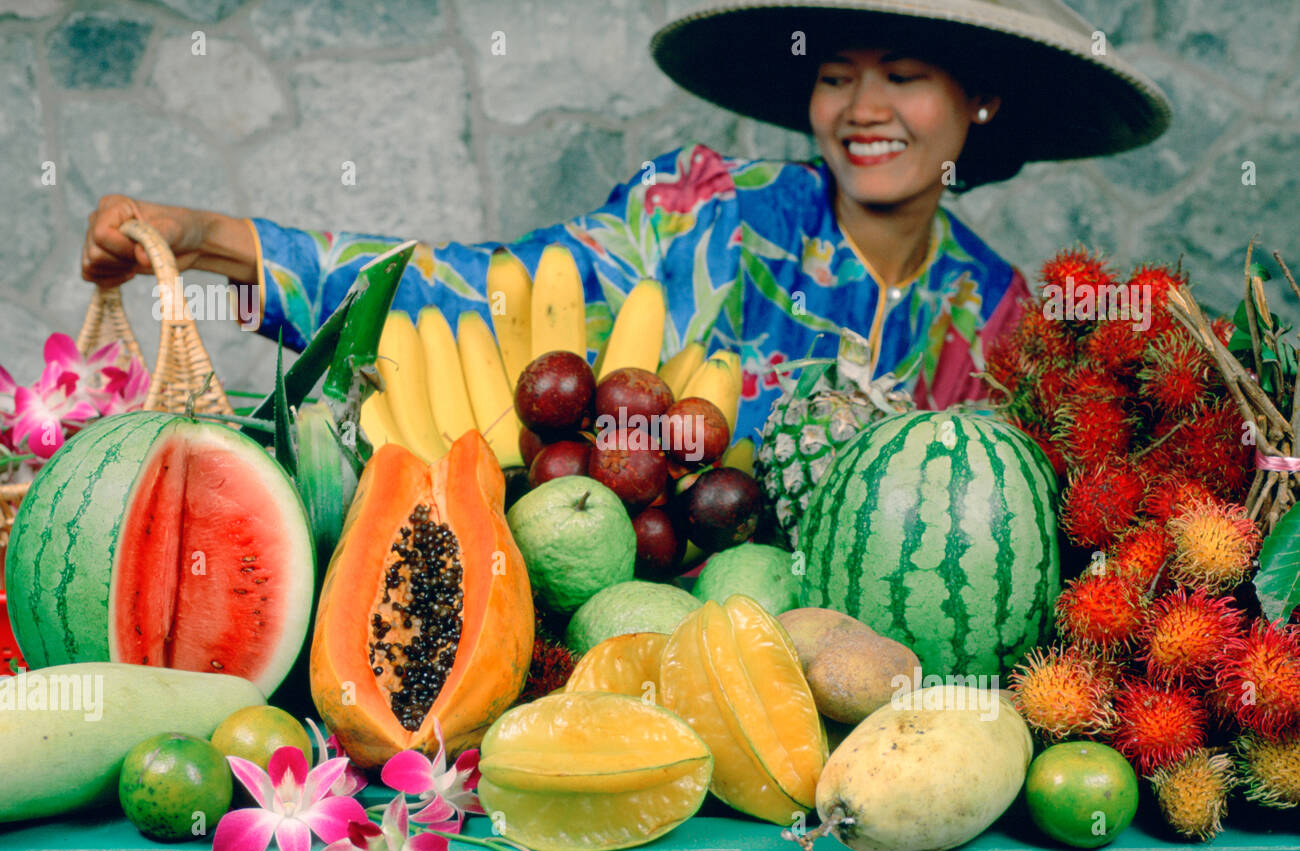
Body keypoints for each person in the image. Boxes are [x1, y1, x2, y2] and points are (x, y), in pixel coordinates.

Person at [81, 0, 1171, 442]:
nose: (863, 110)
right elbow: (473, 290)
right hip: (637, 646)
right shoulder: (700, 211)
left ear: (977, 103)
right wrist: (214, 241)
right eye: (836, 76)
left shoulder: (1008, 319)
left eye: (904, 75)